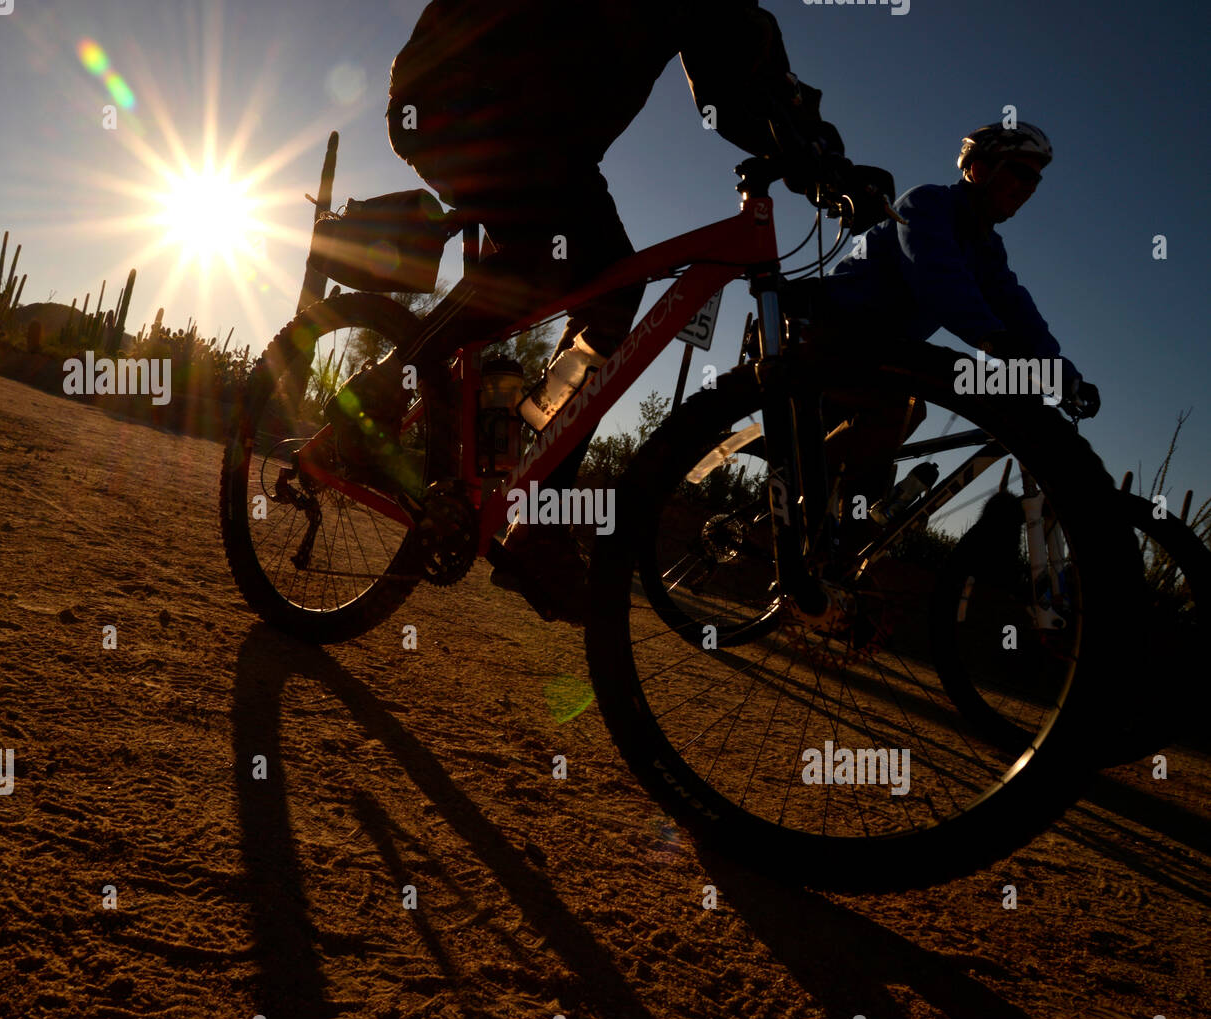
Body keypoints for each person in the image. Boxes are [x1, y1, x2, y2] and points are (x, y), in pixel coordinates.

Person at [310, 0, 893, 623]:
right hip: (459, 94)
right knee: (552, 256)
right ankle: (382, 393)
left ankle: (539, 511)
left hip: (544, 135)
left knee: (612, 287)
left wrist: (826, 164)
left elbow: (743, 74)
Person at [808, 120, 1102, 554]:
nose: (1030, 188)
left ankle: (842, 533)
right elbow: (937, 276)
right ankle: (806, 507)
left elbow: (1016, 307)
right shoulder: (927, 204)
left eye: (1036, 180)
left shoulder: (987, 248)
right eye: (1020, 173)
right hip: (832, 328)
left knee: (906, 416)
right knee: (896, 411)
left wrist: (1064, 374)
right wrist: (990, 338)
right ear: (979, 169)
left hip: (885, 355)